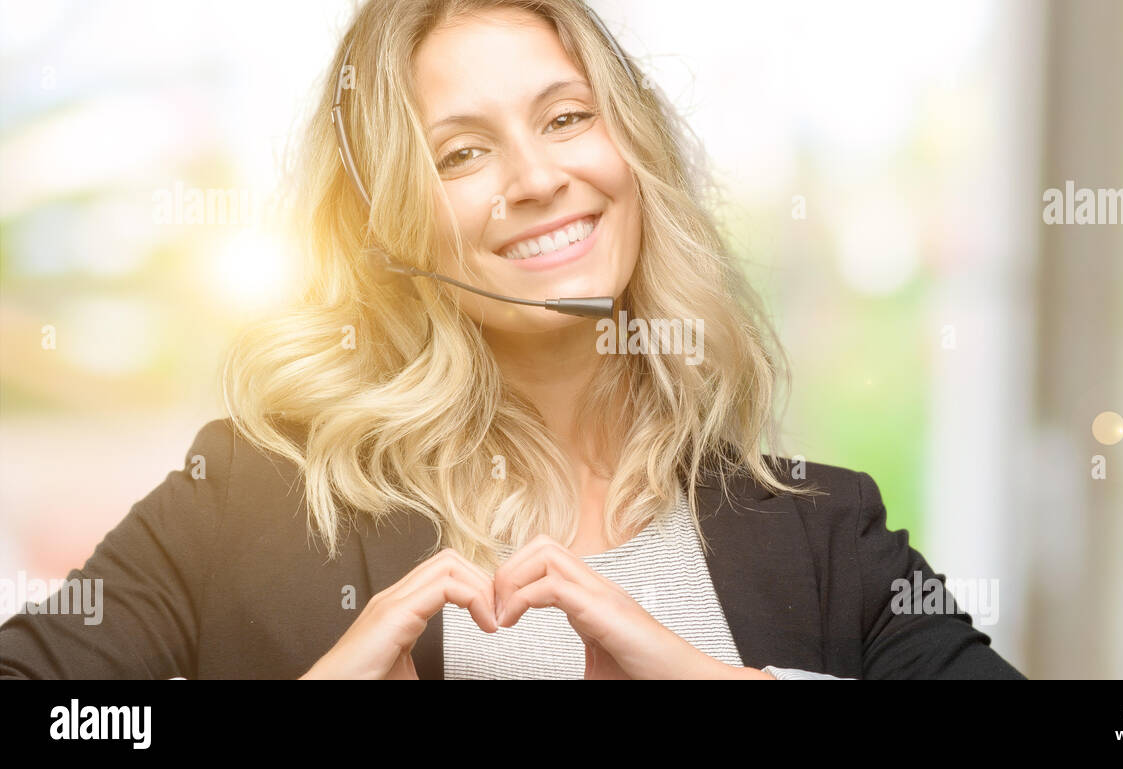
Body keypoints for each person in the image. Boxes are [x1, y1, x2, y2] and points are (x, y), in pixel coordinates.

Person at [0, 0, 1024, 680]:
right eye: (461, 152)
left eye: (567, 117)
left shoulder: (825, 532)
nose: (535, 178)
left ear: (632, 150)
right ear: (388, 230)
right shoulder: (246, 497)